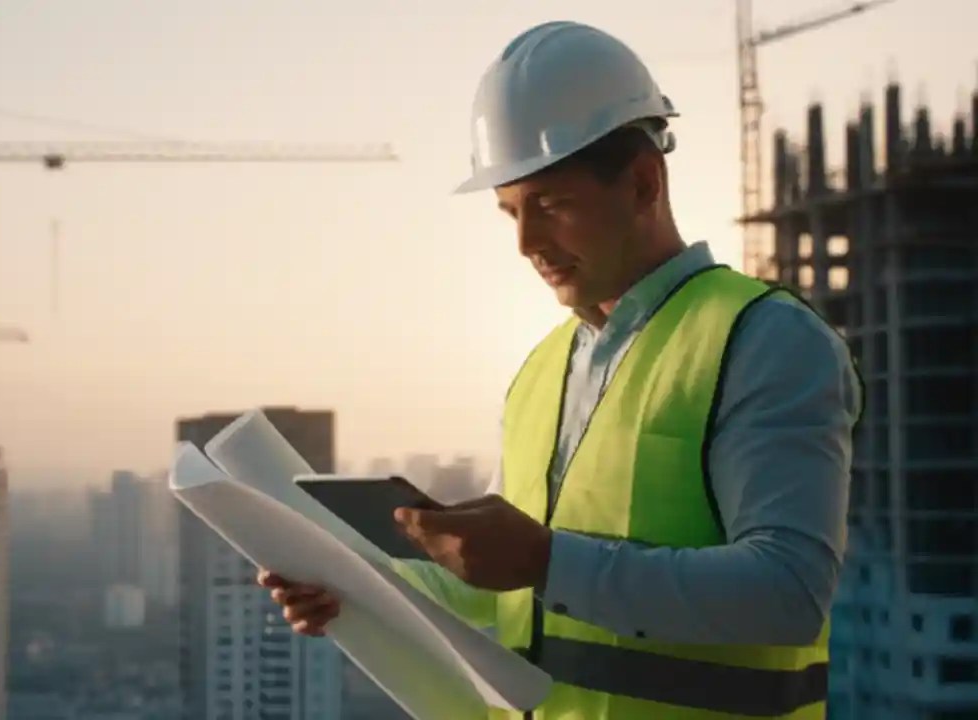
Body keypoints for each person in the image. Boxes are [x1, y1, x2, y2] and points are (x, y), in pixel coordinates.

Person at [258, 19, 862, 719]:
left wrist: (548, 561)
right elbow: (495, 585)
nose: (525, 243)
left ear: (642, 183)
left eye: (550, 205)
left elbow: (787, 593)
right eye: (510, 212)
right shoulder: (544, 371)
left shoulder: (763, 339)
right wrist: (355, 585)